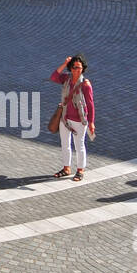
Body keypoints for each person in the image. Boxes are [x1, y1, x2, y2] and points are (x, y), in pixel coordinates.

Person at [50, 53, 95, 182]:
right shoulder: (66, 79)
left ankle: (80, 170)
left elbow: (90, 105)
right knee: (65, 144)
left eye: (79, 67)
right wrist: (65, 63)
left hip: (79, 120)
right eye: (74, 67)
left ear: (83, 69)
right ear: (70, 68)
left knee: (79, 145)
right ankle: (66, 168)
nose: (76, 70)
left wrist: (91, 122)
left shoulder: (86, 84)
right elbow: (54, 77)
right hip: (65, 118)